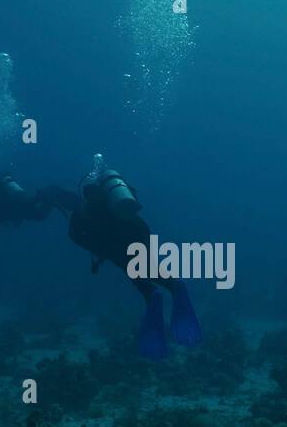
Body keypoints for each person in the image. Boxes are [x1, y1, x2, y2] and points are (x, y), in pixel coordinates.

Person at [67, 154, 201, 360]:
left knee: (133, 272)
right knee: (144, 266)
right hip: (138, 231)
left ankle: (152, 294)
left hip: (113, 245)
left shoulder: (84, 207)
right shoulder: (121, 200)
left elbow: (74, 236)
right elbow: (139, 221)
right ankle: (174, 284)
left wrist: (97, 248)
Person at [0, 173, 79, 235]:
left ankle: (48, 191)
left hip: (14, 205)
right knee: (39, 214)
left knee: (35, 205)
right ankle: (49, 196)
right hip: (15, 206)